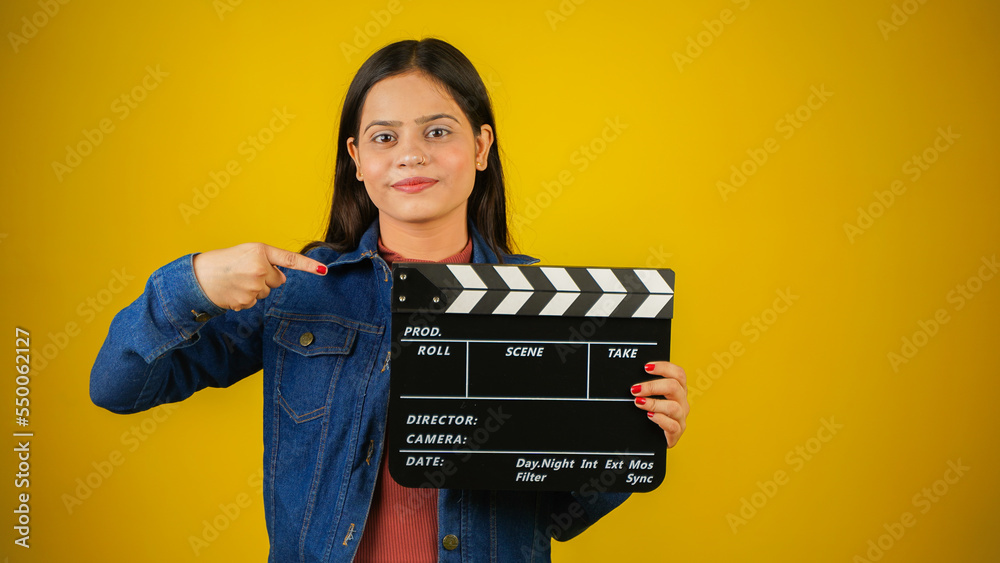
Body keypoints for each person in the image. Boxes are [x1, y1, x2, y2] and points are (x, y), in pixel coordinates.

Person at [90, 38, 689, 562]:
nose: (411, 153)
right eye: (385, 136)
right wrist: (192, 283)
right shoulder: (300, 292)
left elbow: (562, 520)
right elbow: (118, 386)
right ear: (357, 160)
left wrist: (633, 439)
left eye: (437, 130)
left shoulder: (548, 308)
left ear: (481, 147)